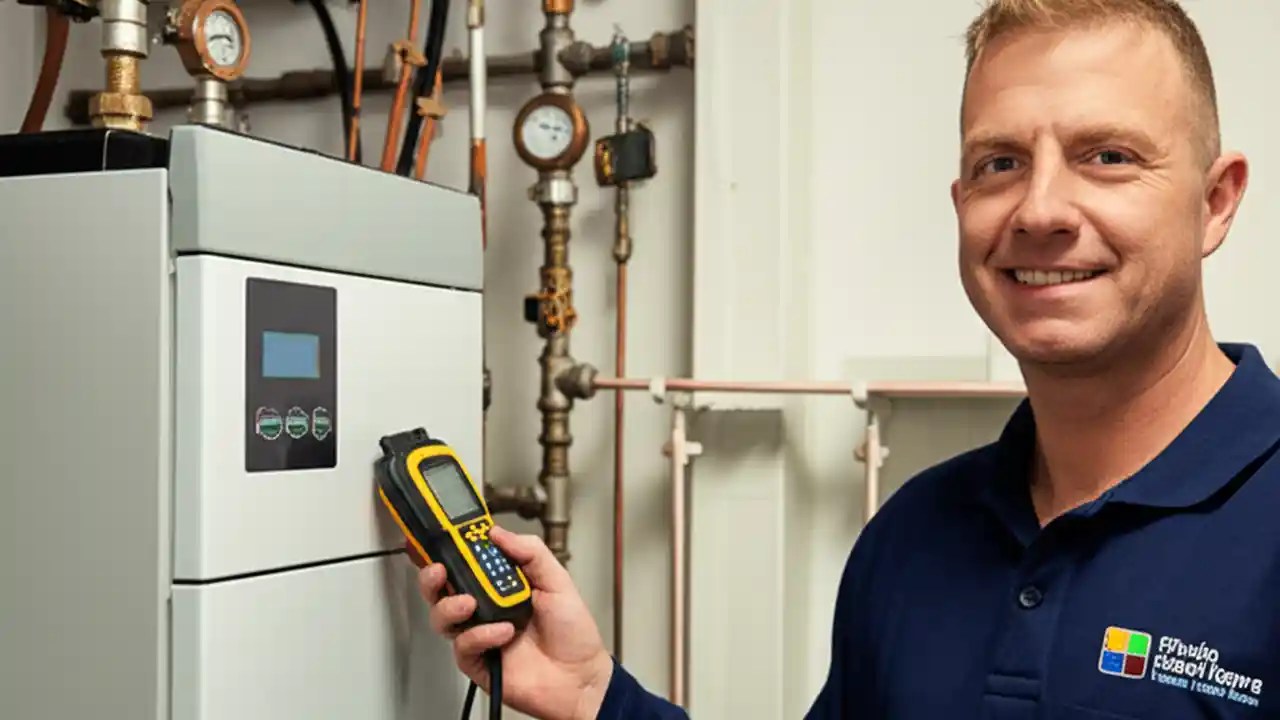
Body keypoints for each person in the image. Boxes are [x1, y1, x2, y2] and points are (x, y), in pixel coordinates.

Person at [418, 0, 1280, 716]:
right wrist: (594, 694)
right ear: (961, 203)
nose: (1040, 208)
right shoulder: (914, 533)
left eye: (1109, 157)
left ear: (1215, 201)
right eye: (1000, 163)